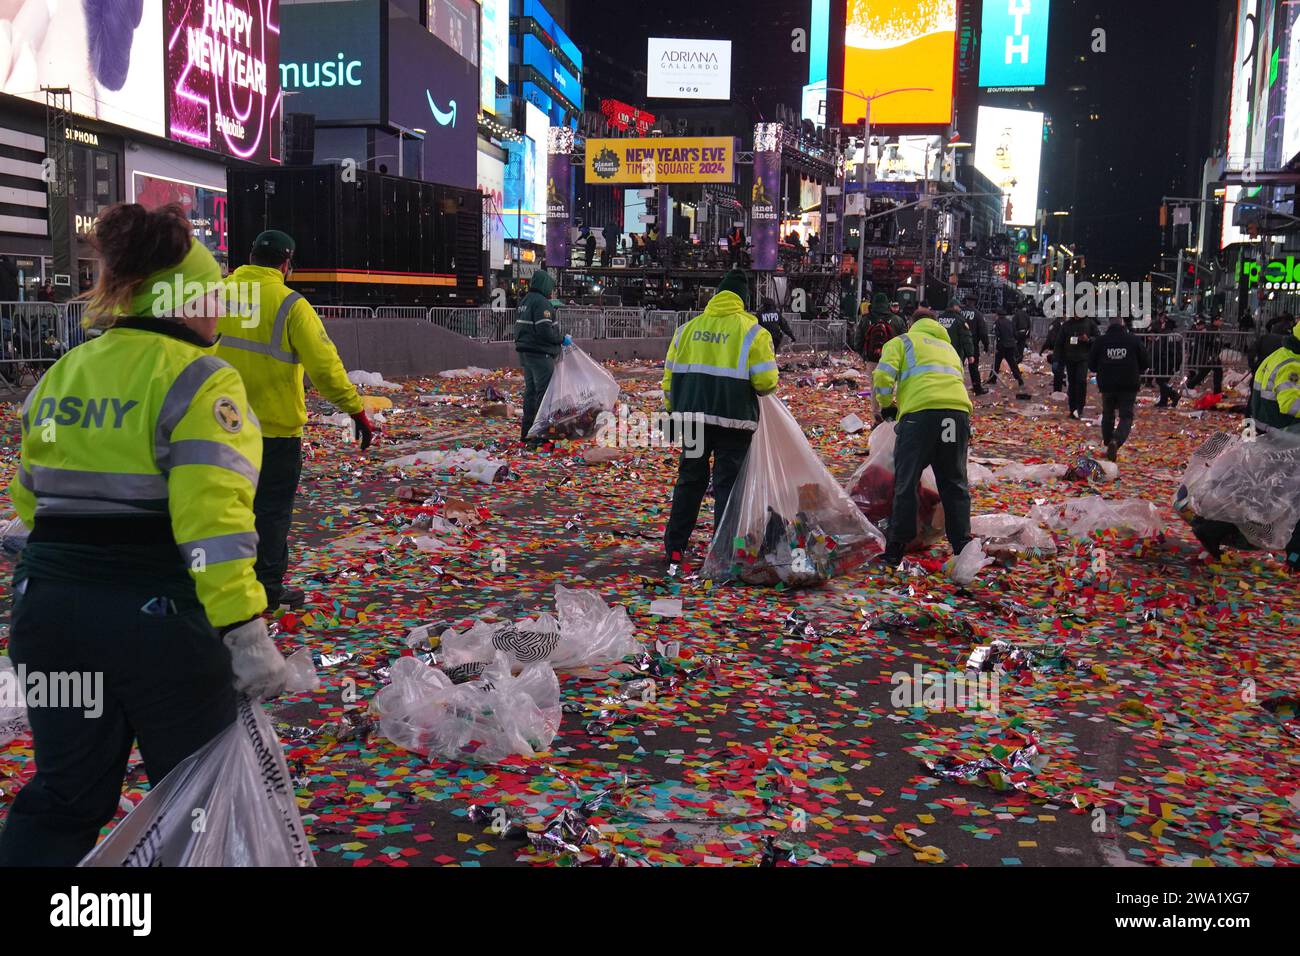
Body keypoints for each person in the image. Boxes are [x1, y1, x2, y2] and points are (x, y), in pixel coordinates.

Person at [0, 203, 284, 866]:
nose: (221, 306)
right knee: (196, 798)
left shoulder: (63, 374)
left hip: (47, 617)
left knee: (66, 794)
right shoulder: (199, 379)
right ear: (184, 298)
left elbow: (28, 503)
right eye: (214, 292)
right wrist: (245, 631)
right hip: (156, 625)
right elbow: (212, 522)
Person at [217, 229, 373, 611]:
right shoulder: (291, 305)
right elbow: (325, 368)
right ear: (287, 265)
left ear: (250, 256)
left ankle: (222, 586)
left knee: (221, 509)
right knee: (270, 512)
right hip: (273, 433)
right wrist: (354, 408)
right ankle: (266, 590)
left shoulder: (215, 294)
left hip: (217, 430)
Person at [662, 268, 778, 564]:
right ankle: (723, 552)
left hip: (692, 422)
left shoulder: (686, 330)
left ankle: (675, 546)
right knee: (727, 485)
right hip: (734, 422)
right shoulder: (753, 332)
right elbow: (766, 383)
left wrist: (673, 411)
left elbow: (669, 380)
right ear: (743, 300)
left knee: (689, 480)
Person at [1189, 317, 1300, 570]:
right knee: (1277, 498)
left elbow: (1253, 399)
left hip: (1265, 438)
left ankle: (1210, 528)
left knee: (1255, 493)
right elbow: (1289, 404)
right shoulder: (1293, 365)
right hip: (1285, 444)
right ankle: (1296, 558)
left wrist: (1248, 439)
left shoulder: (1276, 355)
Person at [872, 308, 973, 568]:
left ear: (911, 323)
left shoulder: (902, 342)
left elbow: (882, 376)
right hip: (957, 414)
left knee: (907, 481)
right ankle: (962, 546)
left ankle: (896, 548)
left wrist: (886, 405)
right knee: (954, 482)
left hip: (920, 416)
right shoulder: (948, 348)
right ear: (937, 325)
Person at [514, 269, 570, 441]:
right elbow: (545, 331)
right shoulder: (542, 303)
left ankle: (527, 433)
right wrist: (561, 339)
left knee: (530, 393)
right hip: (540, 355)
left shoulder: (525, 301)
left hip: (525, 353)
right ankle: (539, 436)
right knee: (544, 396)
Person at [1089, 315, 1150, 462]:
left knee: (1108, 414)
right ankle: (1116, 441)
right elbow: (1145, 361)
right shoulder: (1133, 340)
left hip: (1107, 384)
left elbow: (1091, 364)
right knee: (1126, 416)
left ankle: (1108, 442)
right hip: (1128, 383)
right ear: (1123, 324)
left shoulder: (1101, 341)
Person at [935, 293, 984, 396]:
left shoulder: (939, 318)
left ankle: (941, 390)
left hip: (940, 352)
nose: (960, 309)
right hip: (955, 352)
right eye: (958, 307)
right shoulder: (959, 319)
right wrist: (970, 354)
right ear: (954, 307)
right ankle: (955, 392)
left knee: (942, 372)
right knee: (956, 373)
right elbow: (966, 337)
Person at [1057, 312, 1099, 419]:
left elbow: (1098, 338)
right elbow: (1060, 342)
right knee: (1072, 383)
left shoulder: (1090, 323)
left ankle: (1080, 408)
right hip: (1070, 358)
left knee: (1081, 381)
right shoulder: (1067, 325)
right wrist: (1058, 358)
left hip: (1083, 358)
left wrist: (1088, 340)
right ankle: (1073, 409)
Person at [852, 292, 899, 363]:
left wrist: (865, 356)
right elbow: (904, 343)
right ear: (888, 305)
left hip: (870, 361)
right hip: (891, 362)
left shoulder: (865, 320)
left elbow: (857, 343)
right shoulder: (897, 320)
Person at [1151, 312, 1183, 408]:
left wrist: (1154, 360)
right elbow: (1179, 350)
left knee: (1160, 380)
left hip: (1163, 361)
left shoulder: (1164, 334)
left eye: (1164, 322)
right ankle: (1163, 401)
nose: (1162, 324)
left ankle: (1174, 395)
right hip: (1172, 361)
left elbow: (1158, 349)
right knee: (1163, 380)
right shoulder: (1175, 335)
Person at [1185, 314, 1224, 394]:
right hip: (1210, 356)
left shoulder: (1214, 329)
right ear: (1215, 321)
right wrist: (1210, 354)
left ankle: (1190, 385)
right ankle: (1217, 392)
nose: (1221, 322)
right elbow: (1205, 341)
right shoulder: (1209, 329)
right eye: (1219, 320)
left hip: (1211, 355)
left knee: (1203, 373)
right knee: (1218, 372)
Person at [988, 311, 1026, 388]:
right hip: (1011, 346)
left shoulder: (997, 322)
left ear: (997, 315)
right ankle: (1020, 380)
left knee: (996, 363)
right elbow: (1015, 334)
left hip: (1002, 346)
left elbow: (996, 334)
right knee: (1013, 364)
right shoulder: (1010, 322)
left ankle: (992, 378)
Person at [1041, 314, 1067, 392]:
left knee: (1057, 369)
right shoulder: (1057, 325)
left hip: (1060, 351)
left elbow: (1049, 338)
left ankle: (1058, 388)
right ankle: (1058, 388)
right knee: (1057, 369)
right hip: (1059, 350)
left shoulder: (1057, 324)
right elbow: (1050, 338)